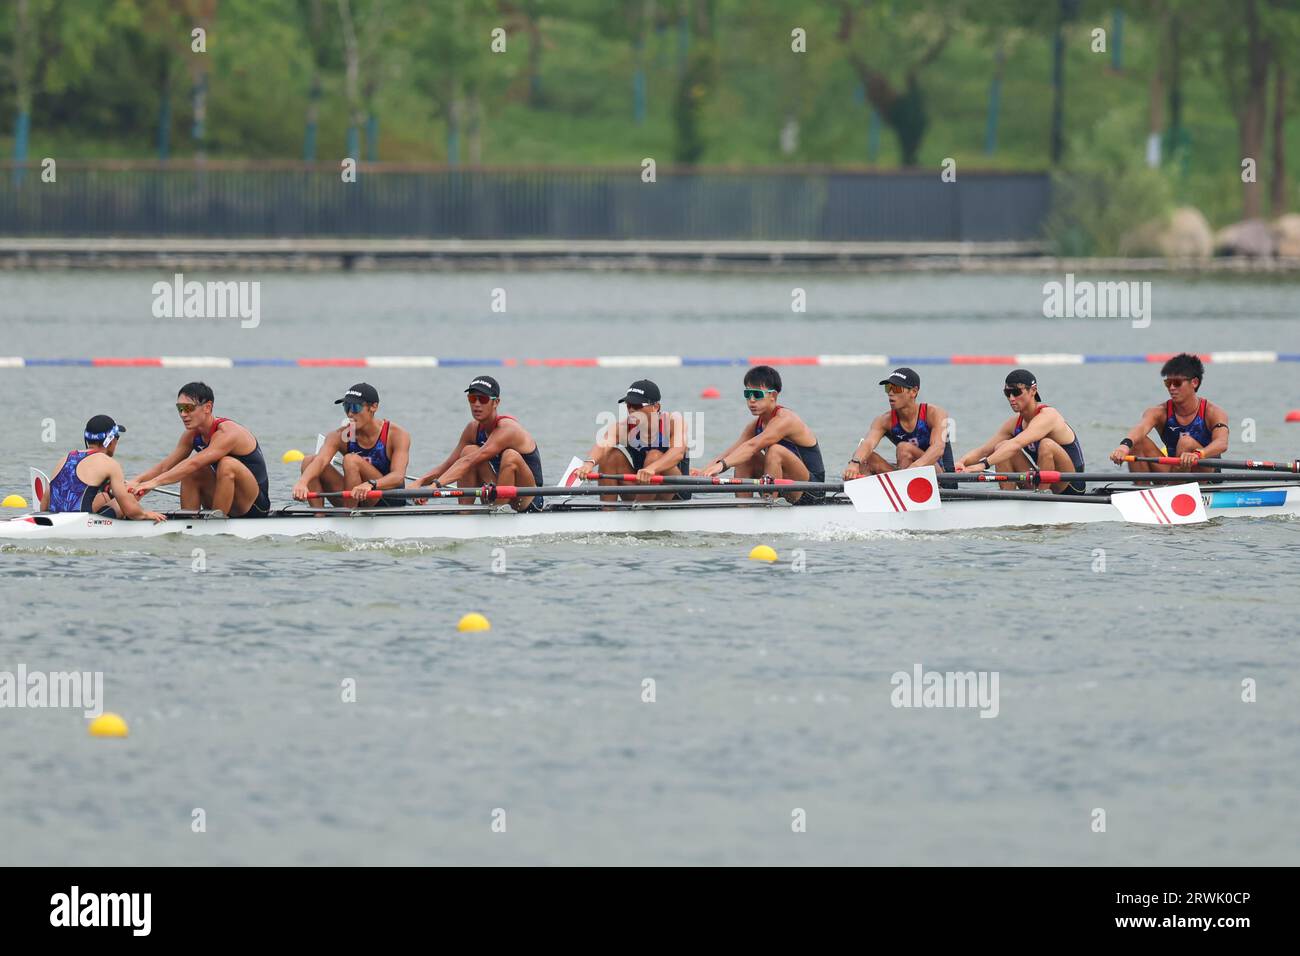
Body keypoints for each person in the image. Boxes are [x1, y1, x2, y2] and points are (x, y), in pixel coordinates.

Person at [129, 382, 271, 517]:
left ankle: (216, 522)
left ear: (207, 407)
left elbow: (194, 463)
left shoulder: (227, 433)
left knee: (226, 464)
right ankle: (189, 521)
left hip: (254, 504)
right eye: (180, 408)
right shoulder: (191, 435)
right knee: (192, 472)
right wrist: (136, 482)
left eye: (189, 408)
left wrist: (153, 483)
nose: (183, 414)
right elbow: (165, 467)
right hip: (226, 498)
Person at [694, 365, 825, 504]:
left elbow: (752, 445)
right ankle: (744, 508)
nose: (751, 400)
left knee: (775, 451)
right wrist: (704, 472)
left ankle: (769, 505)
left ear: (773, 396)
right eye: (747, 394)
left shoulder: (786, 419)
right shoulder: (755, 425)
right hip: (782, 483)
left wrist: (721, 466)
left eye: (757, 394)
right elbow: (732, 452)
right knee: (742, 456)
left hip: (811, 490)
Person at [415, 376, 544, 512]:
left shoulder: (508, 429)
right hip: (499, 491)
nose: (476, 404)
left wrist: (435, 487)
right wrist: (419, 483)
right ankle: (464, 514)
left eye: (483, 399)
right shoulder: (472, 430)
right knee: (468, 451)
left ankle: (497, 513)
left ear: (496, 402)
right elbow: (449, 465)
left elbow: (469, 462)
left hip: (528, 498)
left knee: (509, 455)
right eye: (472, 399)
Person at [955, 369, 1086, 494]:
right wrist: (962, 462)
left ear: (1033, 390)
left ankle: (1042, 496)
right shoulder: (1014, 423)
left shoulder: (1048, 416)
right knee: (1001, 447)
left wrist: (983, 465)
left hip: (1071, 484)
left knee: (1046, 444)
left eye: (1016, 392)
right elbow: (983, 451)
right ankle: (1007, 499)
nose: (1011, 398)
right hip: (1043, 479)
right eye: (1007, 393)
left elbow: (1016, 444)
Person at [293, 383, 412, 507]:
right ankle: (318, 518)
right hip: (355, 495)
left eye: (355, 407)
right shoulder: (340, 435)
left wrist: (370, 484)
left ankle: (349, 517)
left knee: (351, 460)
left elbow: (398, 476)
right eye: (346, 407)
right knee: (309, 461)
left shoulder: (397, 435)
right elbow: (321, 460)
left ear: (374, 407)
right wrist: (302, 482)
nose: (350, 413)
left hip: (387, 498)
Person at [1108, 353, 1229, 472]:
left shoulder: (1213, 412)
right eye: (1168, 383)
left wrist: (1198, 454)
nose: (1171, 388)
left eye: (1177, 383)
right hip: (1173, 472)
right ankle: (1140, 489)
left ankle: (1172, 487)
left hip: (1205, 474)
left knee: (1186, 442)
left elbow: (1222, 443)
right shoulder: (1159, 412)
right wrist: (1124, 446)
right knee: (1137, 441)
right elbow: (1141, 428)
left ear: (1194, 383)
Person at [574, 379, 691, 502]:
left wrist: (653, 468)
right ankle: (608, 512)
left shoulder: (674, 422)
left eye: (637, 405)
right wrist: (588, 463)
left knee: (654, 456)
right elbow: (603, 445)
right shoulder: (623, 427)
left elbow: (677, 453)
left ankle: (640, 511)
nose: (631, 410)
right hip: (642, 489)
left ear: (656, 407)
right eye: (629, 405)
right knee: (610, 455)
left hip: (675, 492)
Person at [42, 415, 165, 522]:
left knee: (105, 496)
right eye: (117, 438)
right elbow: (129, 510)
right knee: (128, 498)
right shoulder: (110, 464)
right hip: (81, 524)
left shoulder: (65, 458)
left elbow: (45, 502)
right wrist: (145, 514)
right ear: (110, 441)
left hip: (53, 518)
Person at [843, 367, 955, 483]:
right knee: (865, 457)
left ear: (913, 392)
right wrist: (854, 463)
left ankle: (901, 485)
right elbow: (868, 443)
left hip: (941, 476)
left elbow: (938, 448)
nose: (890, 393)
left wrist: (913, 469)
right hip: (906, 474)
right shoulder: (884, 420)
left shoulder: (935, 413)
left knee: (904, 448)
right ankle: (867, 494)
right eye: (888, 388)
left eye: (896, 388)